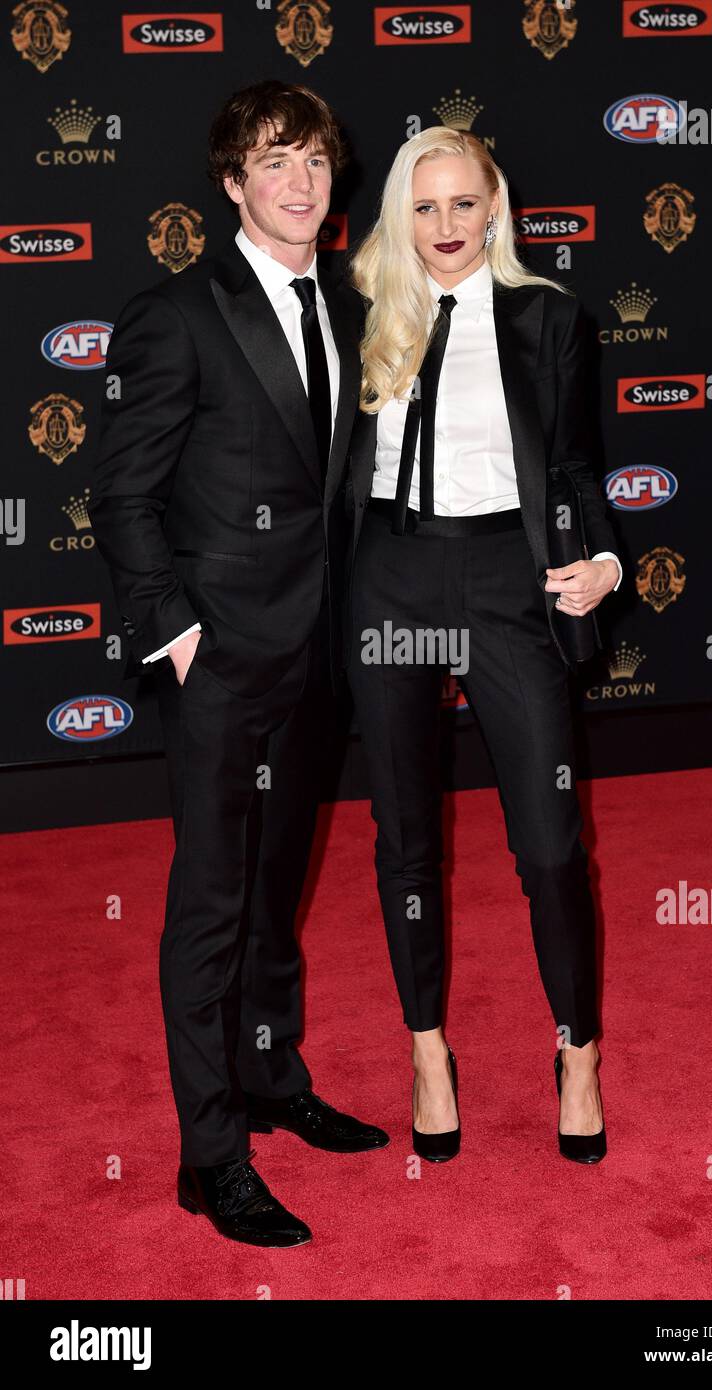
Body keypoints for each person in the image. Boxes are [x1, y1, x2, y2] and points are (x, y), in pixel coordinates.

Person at [90, 80, 388, 1250]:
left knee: (278, 892)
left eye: (315, 162)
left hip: (317, 654)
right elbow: (121, 495)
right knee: (211, 905)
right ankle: (209, 1155)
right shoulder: (175, 314)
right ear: (231, 184)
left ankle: (270, 1078)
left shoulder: (356, 308)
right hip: (217, 658)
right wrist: (178, 634)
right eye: (274, 163)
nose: (300, 184)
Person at [346, 127, 622, 1166]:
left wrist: (605, 560)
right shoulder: (356, 313)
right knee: (405, 832)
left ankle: (579, 1050)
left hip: (510, 580)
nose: (446, 227)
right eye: (424, 207)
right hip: (390, 576)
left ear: (494, 210)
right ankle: (427, 1051)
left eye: (465, 204)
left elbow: (583, 469)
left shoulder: (550, 319)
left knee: (550, 842)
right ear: (398, 216)